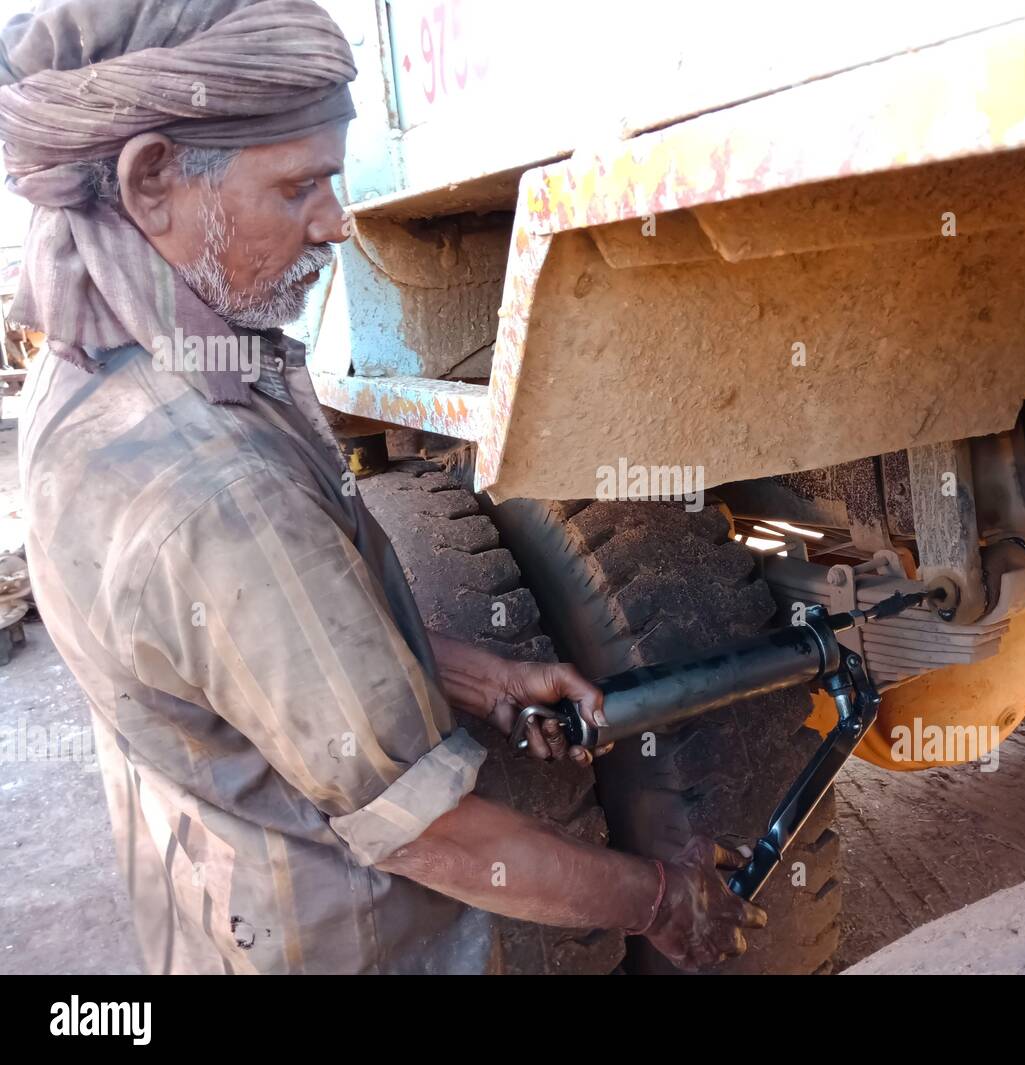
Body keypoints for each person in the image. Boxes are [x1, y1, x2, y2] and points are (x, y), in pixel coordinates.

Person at [1, 0, 764, 973]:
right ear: (153, 181)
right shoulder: (219, 495)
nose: (335, 220)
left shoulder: (94, 367)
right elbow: (429, 834)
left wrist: (478, 674)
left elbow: (243, 650)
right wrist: (659, 899)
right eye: (299, 185)